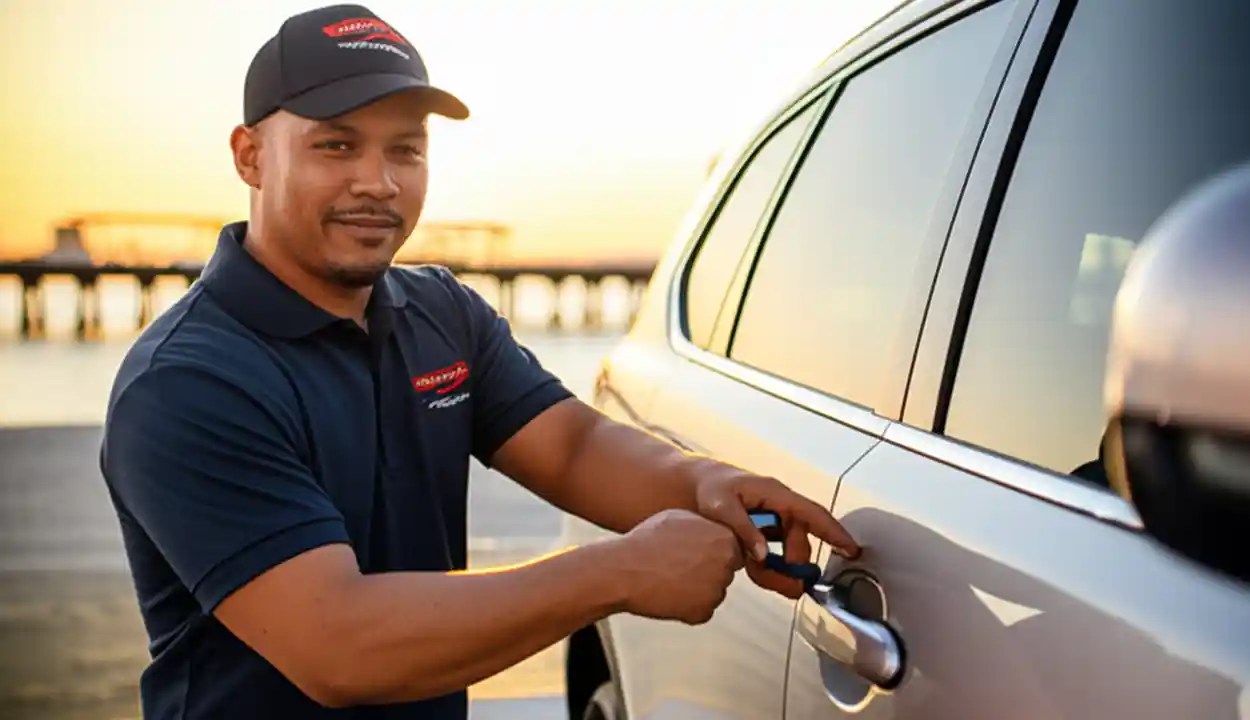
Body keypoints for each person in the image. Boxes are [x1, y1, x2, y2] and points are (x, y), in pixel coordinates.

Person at [98, 4, 861, 718]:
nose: (379, 181)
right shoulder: (188, 381)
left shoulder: (440, 313)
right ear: (250, 155)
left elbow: (573, 446)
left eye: (407, 149)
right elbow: (339, 645)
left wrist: (707, 484)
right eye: (336, 144)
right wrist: (618, 573)